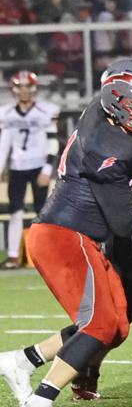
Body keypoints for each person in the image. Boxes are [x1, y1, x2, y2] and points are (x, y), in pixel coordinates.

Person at [0, 59, 132, 407]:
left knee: (115, 327)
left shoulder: (104, 113)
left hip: (76, 236)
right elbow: (124, 222)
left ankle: (22, 360)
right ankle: (39, 403)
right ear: (118, 105)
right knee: (98, 324)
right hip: (63, 237)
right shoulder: (110, 146)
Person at [0, 72, 59, 269]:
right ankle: (13, 256)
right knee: (15, 211)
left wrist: (46, 169)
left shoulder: (46, 110)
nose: (24, 91)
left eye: (27, 87)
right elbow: (4, 143)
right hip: (17, 167)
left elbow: (52, 141)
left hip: (38, 166)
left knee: (41, 213)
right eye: (21, 87)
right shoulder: (6, 113)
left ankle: (44, 254)